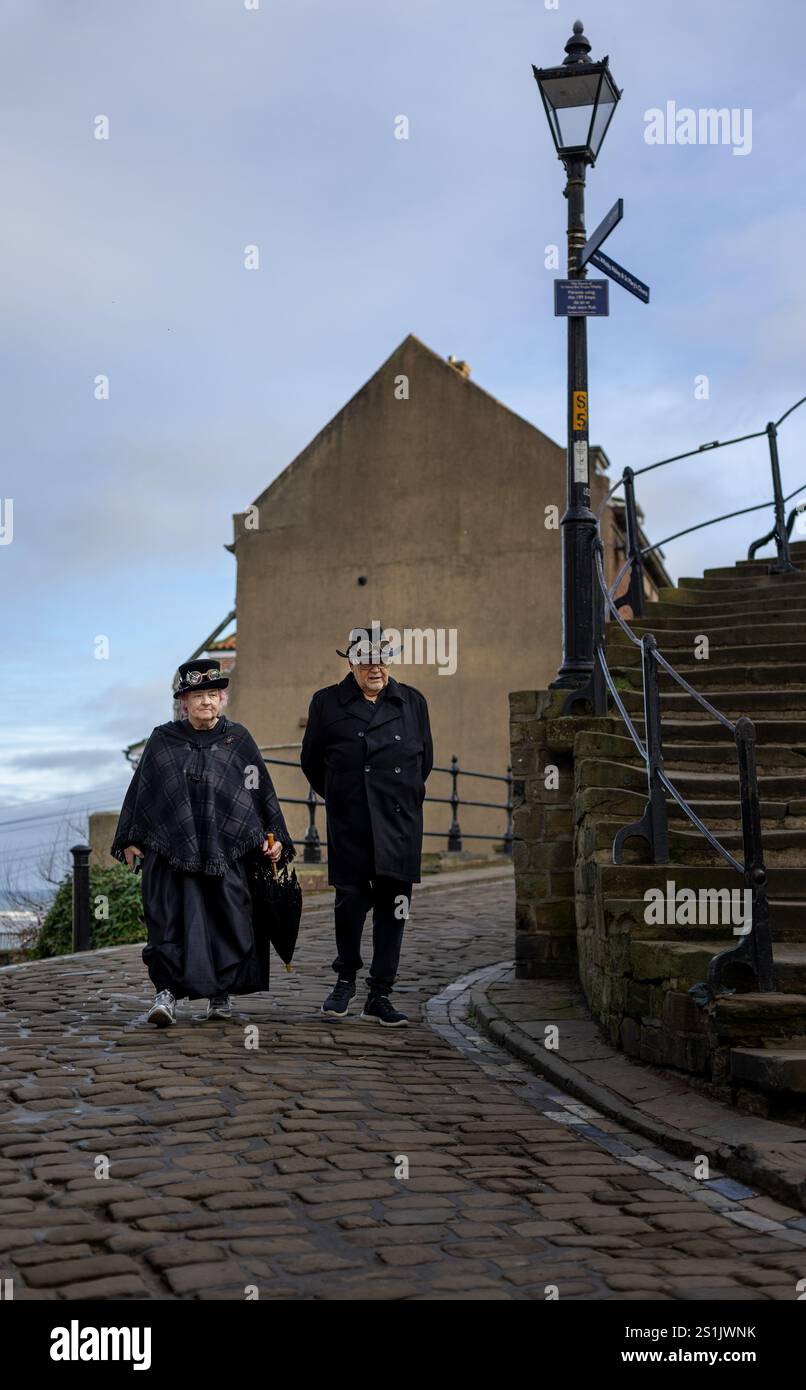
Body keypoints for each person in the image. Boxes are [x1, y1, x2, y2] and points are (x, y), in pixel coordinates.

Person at [110, 659, 295, 1026]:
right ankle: (165, 996)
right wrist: (131, 838)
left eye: (214, 694)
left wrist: (274, 839)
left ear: (223, 699)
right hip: (171, 854)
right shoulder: (163, 740)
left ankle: (219, 996)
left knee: (226, 920)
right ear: (184, 702)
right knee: (167, 922)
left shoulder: (237, 740)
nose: (207, 702)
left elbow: (260, 795)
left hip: (225, 854)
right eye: (198, 696)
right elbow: (143, 793)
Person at [300, 623, 433, 1027]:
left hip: (398, 821)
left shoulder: (412, 701)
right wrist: (345, 797)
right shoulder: (327, 703)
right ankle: (345, 981)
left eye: (382, 658)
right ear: (352, 663)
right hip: (352, 821)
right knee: (351, 900)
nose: (375, 667)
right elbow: (312, 762)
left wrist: (400, 797)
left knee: (395, 906)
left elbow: (423, 760)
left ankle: (381, 993)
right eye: (365, 659)